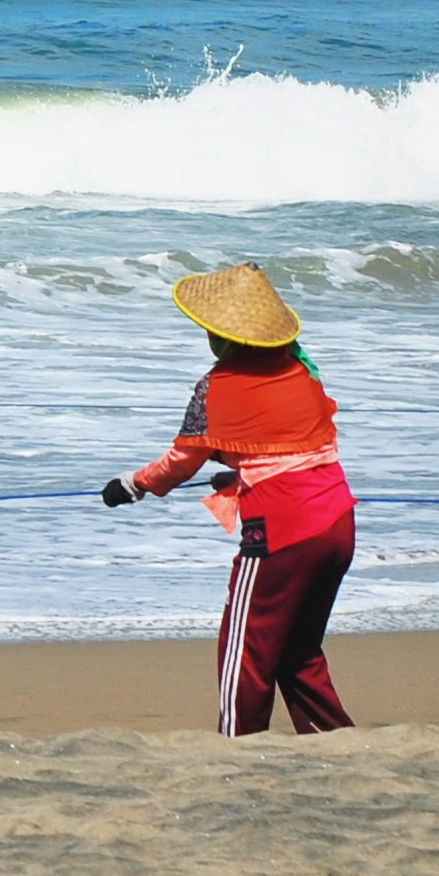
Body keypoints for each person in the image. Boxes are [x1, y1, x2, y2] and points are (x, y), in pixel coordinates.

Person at [102, 264, 357, 737]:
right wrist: (240, 466)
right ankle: (335, 740)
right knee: (300, 650)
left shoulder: (214, 386)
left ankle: (239, 747)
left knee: (247, 649)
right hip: (338, 522)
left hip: (283, 532)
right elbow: (293, 442)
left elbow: (181, 461)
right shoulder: (301, 367)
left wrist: (132, 485)